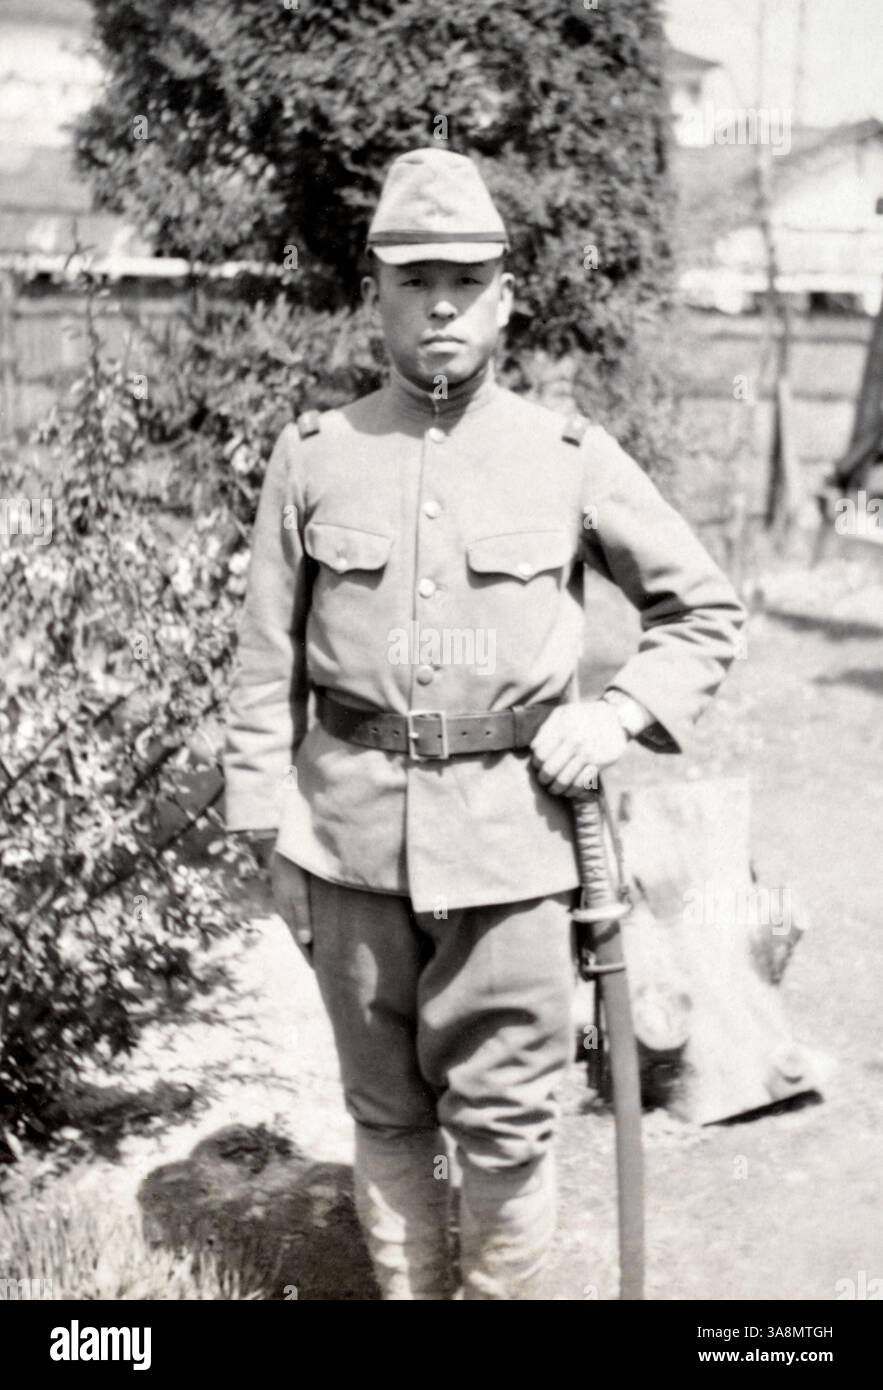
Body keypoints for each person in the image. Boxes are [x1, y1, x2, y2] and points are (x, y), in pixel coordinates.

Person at [224, 147, 745, 1300]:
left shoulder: (568, 460)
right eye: (415, 279)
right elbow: (264, 666)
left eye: (468, 277)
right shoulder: (315, 457)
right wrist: (267, 836)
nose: (443, 301)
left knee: (508, 1125)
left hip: (515, 852)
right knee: (385, 1112)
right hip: (347, 846)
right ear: (377, 296)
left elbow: (702, 609)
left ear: (506, 296)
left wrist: (614, 715)